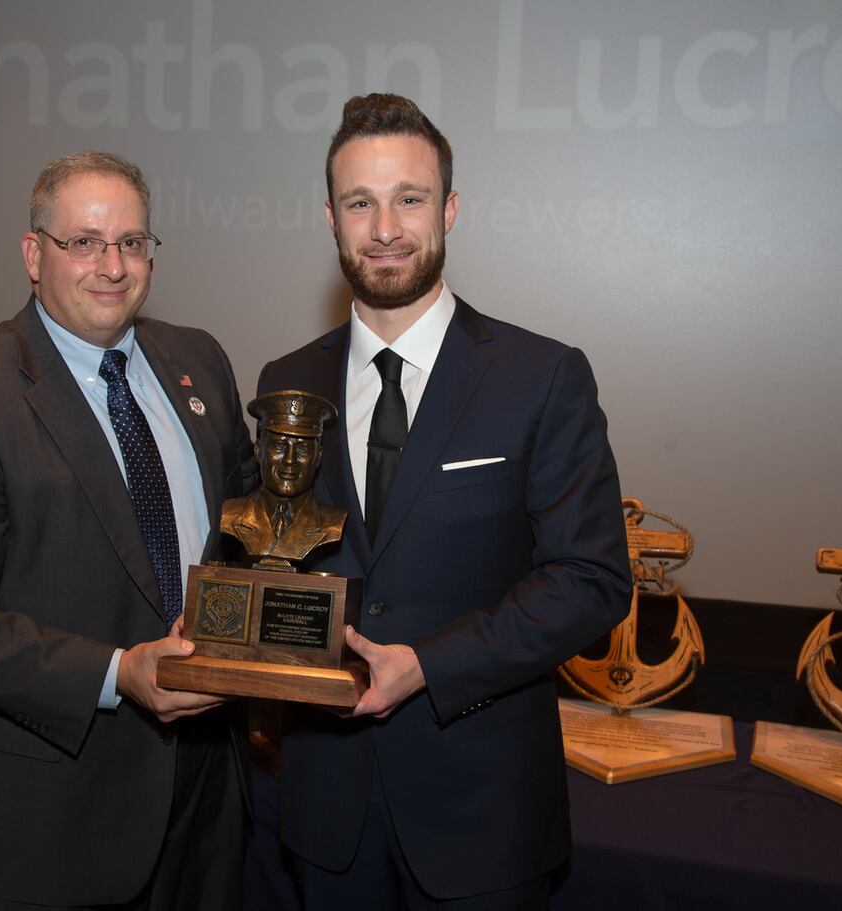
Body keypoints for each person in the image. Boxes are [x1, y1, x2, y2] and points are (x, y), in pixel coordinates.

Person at [256, 94, 633, 909]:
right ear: (331, 218)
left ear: (450, 208)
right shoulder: (285, 385)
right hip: (325, 815)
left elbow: (592, 579)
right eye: (361, 201)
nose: (385, 225)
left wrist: (428, 664)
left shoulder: (542, 377)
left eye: (409, 198)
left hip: (483, 816)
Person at [0, 151, 256, 910]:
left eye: (131, 241)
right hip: (55, 811)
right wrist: (120, 672)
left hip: (208, 795)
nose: (111, 265)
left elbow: (242, 526)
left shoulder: (199, 360)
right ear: (33, 254)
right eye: (83, 241)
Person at [219, 390, 346, 564]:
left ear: (318, 457)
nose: (289, 460)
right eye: (279, 446)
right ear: (258, 451)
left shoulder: (332, 523)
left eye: (302, 448)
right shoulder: (230, 515)